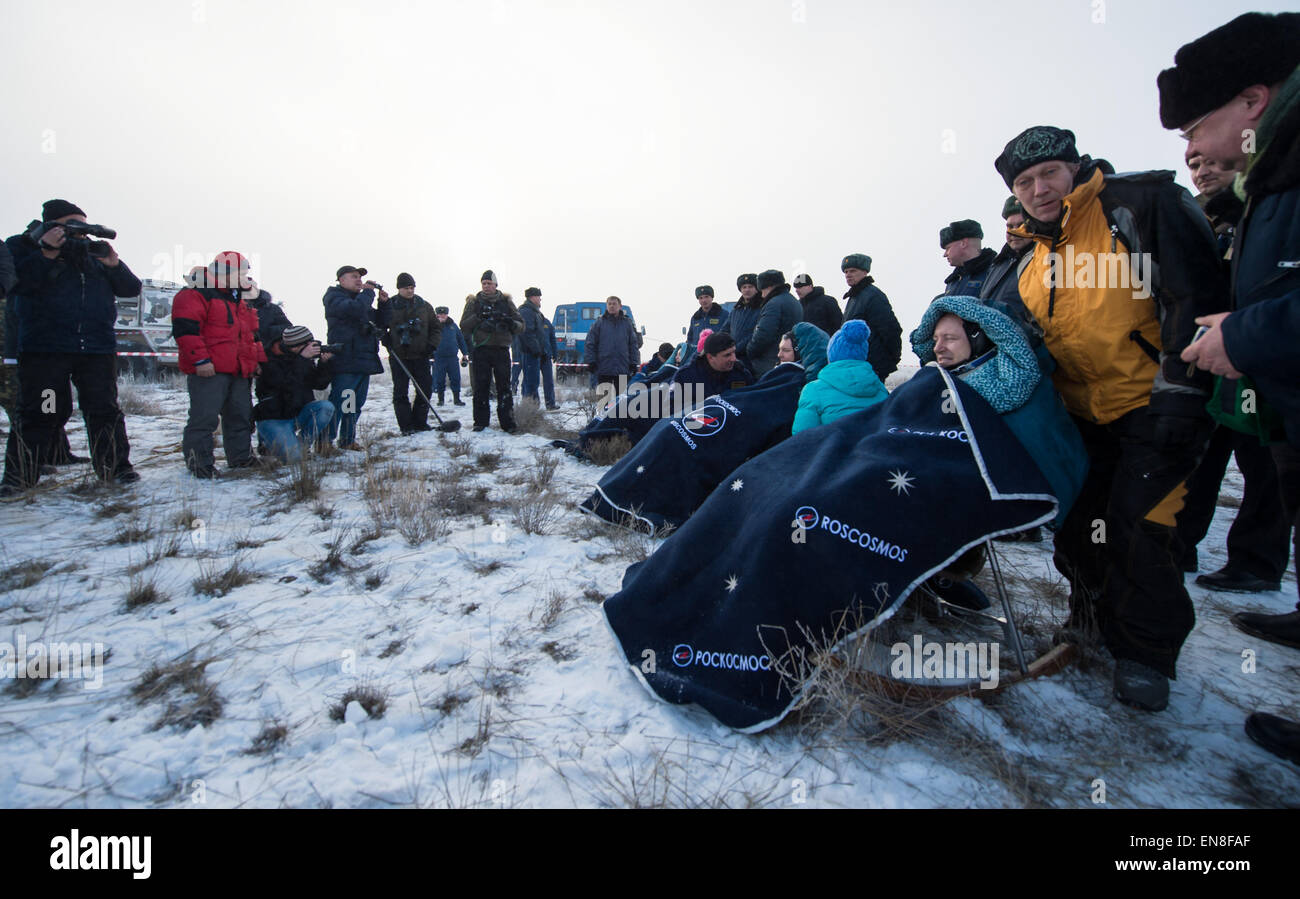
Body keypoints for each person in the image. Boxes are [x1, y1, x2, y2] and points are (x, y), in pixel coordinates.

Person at [995, 123, 1224, 711]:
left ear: (1073, 167)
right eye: (1025, 182)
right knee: (1079, 527)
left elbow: (1194, 298)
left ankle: (1145, 654)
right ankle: (1089, 618)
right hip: (1082, 419)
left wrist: (1181, 390)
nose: (1040, 189)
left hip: (1154, 407)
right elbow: (1036, 345)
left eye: (1049, 172)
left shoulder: (1139, 207)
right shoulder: (1032, 265)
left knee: (1140, 529)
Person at [1161, 10, 1300, 761]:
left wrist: (1241, 334)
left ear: (1251, 103)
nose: (1192, 151)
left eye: (1195, 130)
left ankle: (1255, 565)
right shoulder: (1273, 174)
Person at [1174, 149, 1286, 593]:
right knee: (1201, 458)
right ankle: (1181, 544)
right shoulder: (1201, 221)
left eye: (1214, 164)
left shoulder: (1266, 212)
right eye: (1197, 166)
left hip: (1261, 356)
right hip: (1209, 360)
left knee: (1265, 463)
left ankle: (1257, 562)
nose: (1204, 172)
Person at [1, 200, 141, 495]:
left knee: (104, 410)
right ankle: (20, 478)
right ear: (53, 224)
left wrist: (114, 265)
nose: (79, 231)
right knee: (43, 409)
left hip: (95, 349)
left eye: (83, 224)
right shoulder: (23, 246)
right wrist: (48, 252)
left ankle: (116, 470)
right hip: (46, 349)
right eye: (72, 223)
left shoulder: (92, 251)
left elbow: (131, 288)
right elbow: (18, 284)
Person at [173, 251, 266, 477]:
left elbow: (250, 334)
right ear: (226, 273)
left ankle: (241, 459)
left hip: (238, 370)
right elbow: (186, 331)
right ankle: (200, 465)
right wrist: (200, 361)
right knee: (204, 418)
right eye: (242, 272)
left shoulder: (237, 298)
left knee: (240, 415)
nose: (246, 277)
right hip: (210, 370)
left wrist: (255, 361)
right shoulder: (194, 294)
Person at [324, 265, 390, 450]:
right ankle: (324, 441)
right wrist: (368, 294)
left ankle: (347, 439)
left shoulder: (361, 301)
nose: (359, 280)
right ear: (341, 280)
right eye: (354, 276)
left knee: (353, 403)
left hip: (363, 360)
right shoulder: (334, 297)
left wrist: (384, 304)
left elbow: (382, 322)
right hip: (346, 359)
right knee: (339, 400)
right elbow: (355, 310)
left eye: (360, 277)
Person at [254, 326, 336, 463]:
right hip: (274, 417)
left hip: (296, 414)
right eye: (308, 344)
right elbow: (285, 384)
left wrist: (324, 364)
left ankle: (302, 446)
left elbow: (319, 384)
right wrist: (303, 359)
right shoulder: (268, 359)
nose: (312, 347)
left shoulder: (301, 358)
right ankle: (267, 443)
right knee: (294, 459)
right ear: (296, 346)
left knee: (326, 407)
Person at [792, 320, 888, 434]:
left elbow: (802, 437)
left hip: (830, 451)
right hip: (871, 450)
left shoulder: (813, 390)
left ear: (831, 354)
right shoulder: (881, 390)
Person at [460, 270, 524, 432]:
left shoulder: (506, 302)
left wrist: (509, 322)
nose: (486, 286)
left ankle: (508, 423)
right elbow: (464, 325)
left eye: (489, 283)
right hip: (481, 350)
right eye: (484, 283)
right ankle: (480, 422)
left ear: (496, 285)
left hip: (501, 350)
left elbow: (521, 325)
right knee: (481, 387)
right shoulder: (474, 302)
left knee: (504, 387)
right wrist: (479, 317)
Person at [382, 272, 439, 435]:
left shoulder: (424, 305)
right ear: (399, 288)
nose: (410, 291)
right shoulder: (390, 304)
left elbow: (435, 328)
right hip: (399, 356)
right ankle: (406, 426)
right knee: (400, 392)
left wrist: (431, 345)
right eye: (406, 288)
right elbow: (381, 324)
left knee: (425, 389)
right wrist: (385, 338)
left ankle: (419, 422)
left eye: (412, 287)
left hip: (421, 355)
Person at [978, 197, 1038, 336]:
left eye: (1021, 225)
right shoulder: (997, 264)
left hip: (1028, 346)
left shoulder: (1045, 260)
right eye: (1010, 226)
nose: (1014, 232)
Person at [839, 253, 902, 382]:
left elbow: (891, 330)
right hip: (855, 367)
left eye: (853, 271)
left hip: (872, 367)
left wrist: (890, 359)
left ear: (864, 272)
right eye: (846, 271)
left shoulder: (873, 296)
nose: (848, 274)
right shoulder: (853, 298)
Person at [745, 270, 803, 377]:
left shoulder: (773, 304)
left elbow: (764, 334)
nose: (762, 295)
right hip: (789, 359)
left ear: (769, 287)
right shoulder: (794, 301)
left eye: (762, 290)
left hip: (769, 362)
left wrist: (749, 352)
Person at [671, 330, 755, 396]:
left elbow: (751, 401)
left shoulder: (741, 374)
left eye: (734, 352)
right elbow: (670, 406)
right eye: (727, 355)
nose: (733, 359)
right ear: (710, 357)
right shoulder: (685, 376)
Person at [584, 295, 640, 389]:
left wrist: (634, 363)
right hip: (604, 369)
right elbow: (590, 343)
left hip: (623, 369)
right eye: (609, 304)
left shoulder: (627, 323)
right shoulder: (599, 323)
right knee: (604, 401)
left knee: (622, 400)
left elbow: (633, 345)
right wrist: (591, 361)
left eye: (614, 304)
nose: (612, 306)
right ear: (606, 306)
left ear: (620, 306)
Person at [519, 287, 559, 410]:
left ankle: (550, 404)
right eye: (538, 297)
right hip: (532, 353)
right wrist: (536, 349)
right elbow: (527, 333)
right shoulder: (526, 311)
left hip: (543, 354)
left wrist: (550, 352)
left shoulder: (537, 313)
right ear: (532, 297)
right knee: (531, 382)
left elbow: (547, 336)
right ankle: (531, 408)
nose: (540, 299)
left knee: (547, 382)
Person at [940, 219, 998, 297]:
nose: (945, 254)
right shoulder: (954, 280)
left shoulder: (995, 271)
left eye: (948, 248)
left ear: (964, 243)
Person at [432, 306, 468, 406]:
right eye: (440, 314)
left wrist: (465, 353)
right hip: (439, 358)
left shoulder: (453, 326)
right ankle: (441, 400)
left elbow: (460, 339)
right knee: (439, 379)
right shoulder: (433, 326)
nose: (443, 316)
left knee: (455, 379)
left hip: (452, 357)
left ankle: (457, 399)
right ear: (437, 314)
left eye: (444, 314)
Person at [684, 285, 729, 365]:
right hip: (698, 356)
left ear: (712, 297)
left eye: (706, 297)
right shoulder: (695, 318)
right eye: (701, 298)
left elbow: (728, 334)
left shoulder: (723, 315)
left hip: (716, 355)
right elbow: (690, 338)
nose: (704, 300)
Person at [723, 274, 761, 364]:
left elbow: (756, 334)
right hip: (734, 357)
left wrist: (735, 349)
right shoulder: (736, 310)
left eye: (750, 287)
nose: (747, 290)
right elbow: (725, 330)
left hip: (751, 358)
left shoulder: (761, 308)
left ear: (756, 289)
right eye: (744, 287)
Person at [793, 273, 842, 337]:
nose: (797, 290)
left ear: (810, 286)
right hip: (805, 345)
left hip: (825, 344)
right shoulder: (797, 305)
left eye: (800, 287)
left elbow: (838, 323)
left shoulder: (828, 301)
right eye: (796, 287)